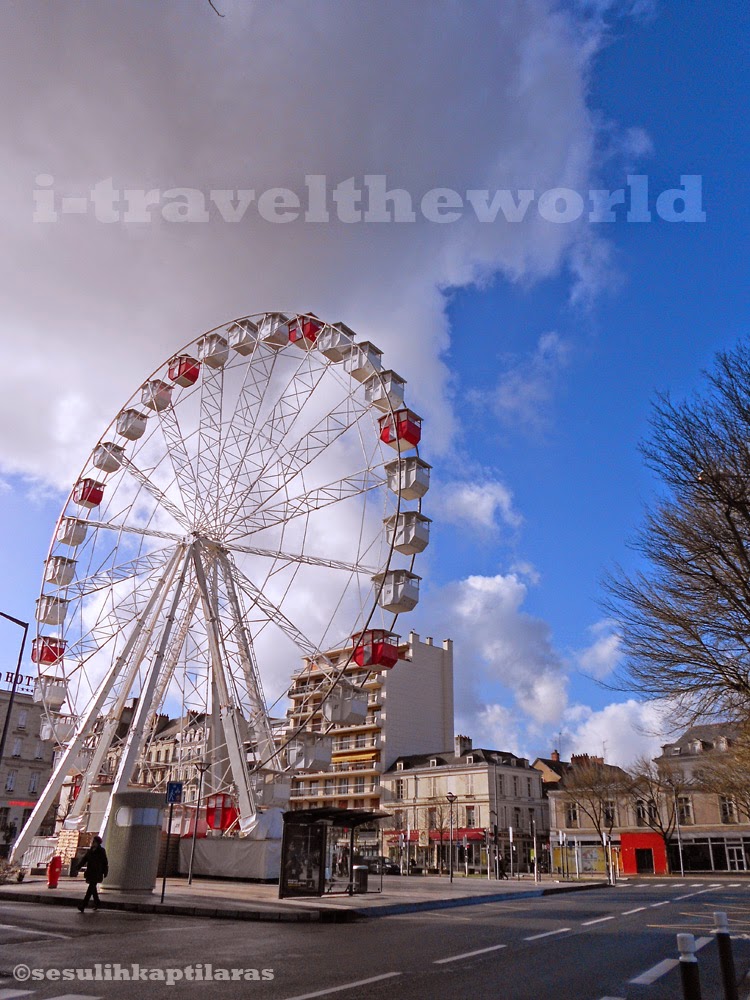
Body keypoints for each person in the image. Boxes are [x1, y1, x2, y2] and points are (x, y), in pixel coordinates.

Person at [77, 835, 108, 912]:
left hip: (97, 872)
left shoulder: (101, 851)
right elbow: (84, 859)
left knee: (90, 889)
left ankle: (83, 905)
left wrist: (105, 871)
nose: (92, 843)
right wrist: (78, 866)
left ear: (97, 843)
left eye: (94, 841)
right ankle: (97, 902)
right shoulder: (90, 851)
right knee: (93, 889)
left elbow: (105, 862)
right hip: (90, 872)